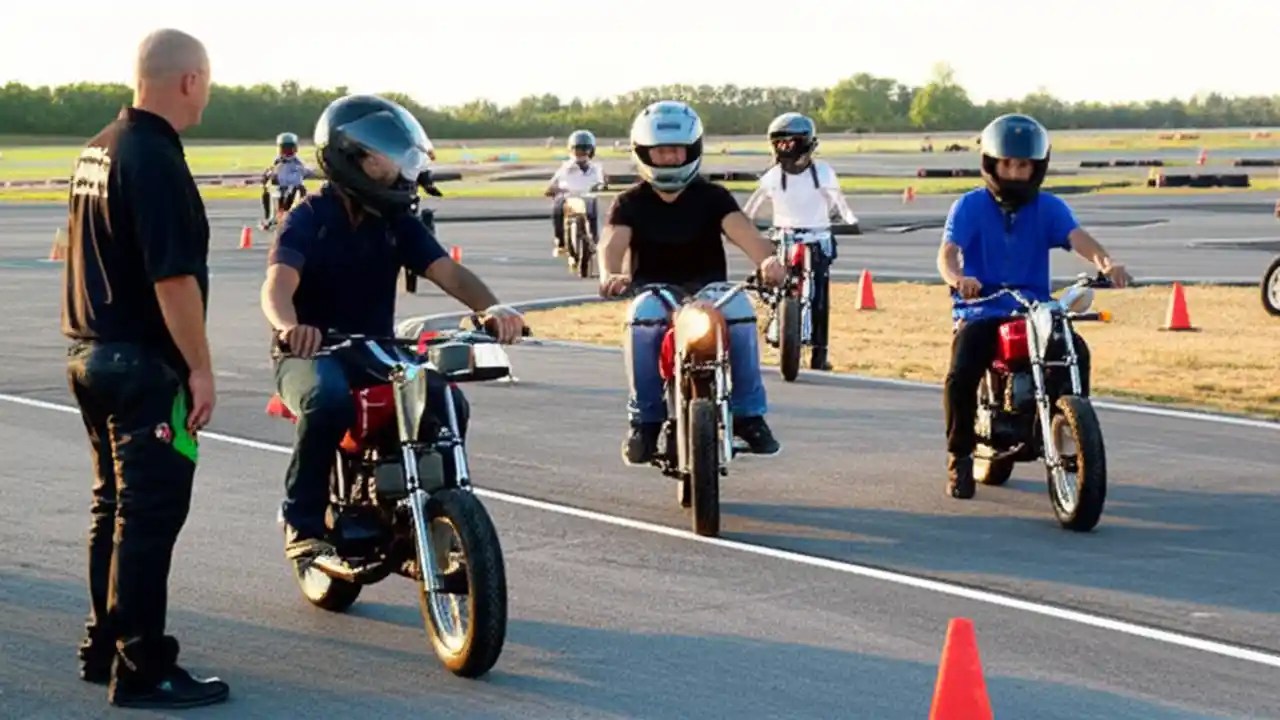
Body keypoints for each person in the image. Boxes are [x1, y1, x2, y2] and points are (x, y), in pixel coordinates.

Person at [260, 94, 525, 567]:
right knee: (328, 400)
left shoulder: (398, 222)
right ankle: (302, 522)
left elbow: (449, 273)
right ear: (351, 159)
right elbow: (277, 285)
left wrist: (494, 308)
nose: (399, 169)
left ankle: (420, 509)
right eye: (385, 158)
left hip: (377, 349)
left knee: (445, 397)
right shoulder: (309, 218)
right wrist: (289, 327)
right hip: (309, 352)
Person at [61, 28, 230, 709]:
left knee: (114, 505)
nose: (209, 92)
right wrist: (201, 370)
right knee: (151, 515)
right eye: (208, 80)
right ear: (189, 80)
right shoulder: (154, 157)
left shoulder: (98, 148)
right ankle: (141, 666)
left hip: (90, 353)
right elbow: (174, 280)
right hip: (142, 367)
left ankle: (103, 641)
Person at [936, 113, 1133, 500]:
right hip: (983, 309)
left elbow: (1078, 238)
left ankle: (1070, 433)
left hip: (1034, 309)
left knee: (1076, 350)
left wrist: (1105, 263)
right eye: (1007, 163)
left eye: (1023, 165)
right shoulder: (969, 206)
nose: (1015, 171)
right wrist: (958, 279)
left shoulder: (1049, 207)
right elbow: (948, 253)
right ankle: (959, 456)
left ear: (1036, 167)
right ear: (992, 164)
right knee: (961, 372)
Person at [597, 100, 787, 464]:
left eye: (677, 150)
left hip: (710, 292)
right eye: (661, 151)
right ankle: (645, 420)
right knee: (641, 319)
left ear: (693, 150)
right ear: (644, 153)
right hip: (655, 290)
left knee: (742, 311)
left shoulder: (713, 197)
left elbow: (744, 233)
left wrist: (768, 260)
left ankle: (749, 414)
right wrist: (610, 274)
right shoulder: (629, 202)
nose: (669, 158)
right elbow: (612, 242)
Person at [742, 112, 858, 371]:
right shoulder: (773, 176)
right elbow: (752, 207)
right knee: (767, 278)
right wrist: (743, 223)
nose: (787, 148)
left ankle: (819, 351)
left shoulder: (823, 172)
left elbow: (839, 203)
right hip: (783, 236)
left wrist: (850, 221)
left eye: (791, 142)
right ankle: (774, 316)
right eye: (781, 143)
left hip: (817, 238)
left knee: (819, 291)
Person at [545, 129, 607, 258]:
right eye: (577, 150)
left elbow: (602, 183)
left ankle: (594, 239)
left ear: (591, 151)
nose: (581, 154)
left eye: (585, 149)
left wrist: (602, 187)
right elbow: (552, 185)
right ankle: (560, 241)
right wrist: (552, 190)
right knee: (557, 206)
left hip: (587, 198)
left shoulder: (596, 169)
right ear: (571, 150)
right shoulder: (565, 168)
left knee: (592, 210)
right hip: (568, 199)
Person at [259, 131, 315, 230]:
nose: (287, 152)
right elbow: (271, 174)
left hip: (293, 189)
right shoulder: (277, 162)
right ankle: (270, 216)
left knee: (298, 190)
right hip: (280, 189)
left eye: (290, 149)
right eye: (285, 149)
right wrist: (267, 177)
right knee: (267, 191)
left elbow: (303, 174)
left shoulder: (297, 164)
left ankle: (296, 215)